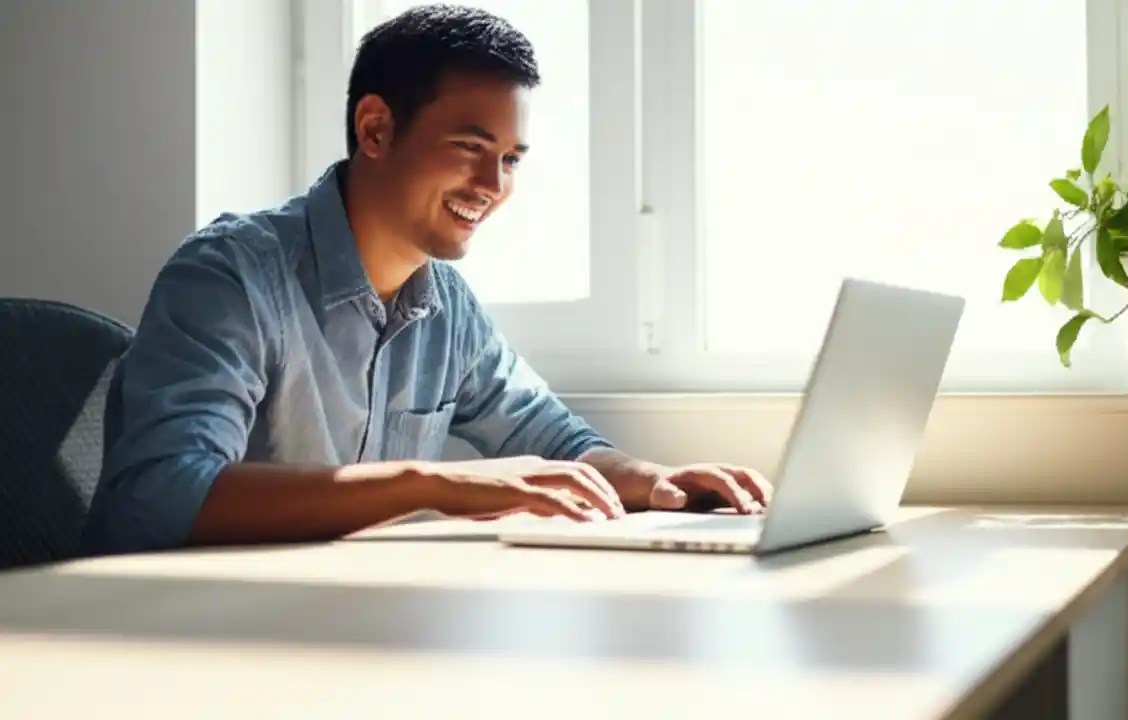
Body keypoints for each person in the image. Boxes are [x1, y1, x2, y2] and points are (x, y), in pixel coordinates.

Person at [81, 3, 771, 555]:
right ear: (376, 129)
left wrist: (658, 482)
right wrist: (436, 483)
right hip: (176, 631)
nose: (493, 186)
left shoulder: (445, 304)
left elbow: (550, 440)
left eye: (510, 159)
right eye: (471, 148)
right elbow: (162, 497)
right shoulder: (231, 274)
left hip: (333, 626)